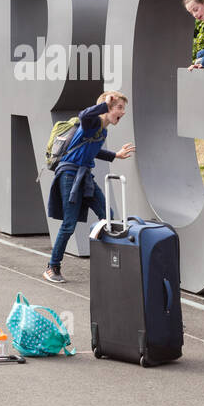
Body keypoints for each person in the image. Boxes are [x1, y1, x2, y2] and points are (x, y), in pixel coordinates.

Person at [44, 91, 136, 282]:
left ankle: (111, 265)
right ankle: (52, 267)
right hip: (69, 174)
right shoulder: (91, 123)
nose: (123, 112)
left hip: (84, 174)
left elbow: (93, 150)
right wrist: (104, 104)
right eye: (119, 107)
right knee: (69, 225)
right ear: (107, 107)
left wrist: (115, 155)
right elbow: (84, 115)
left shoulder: (102, 131)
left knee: (108, 217)